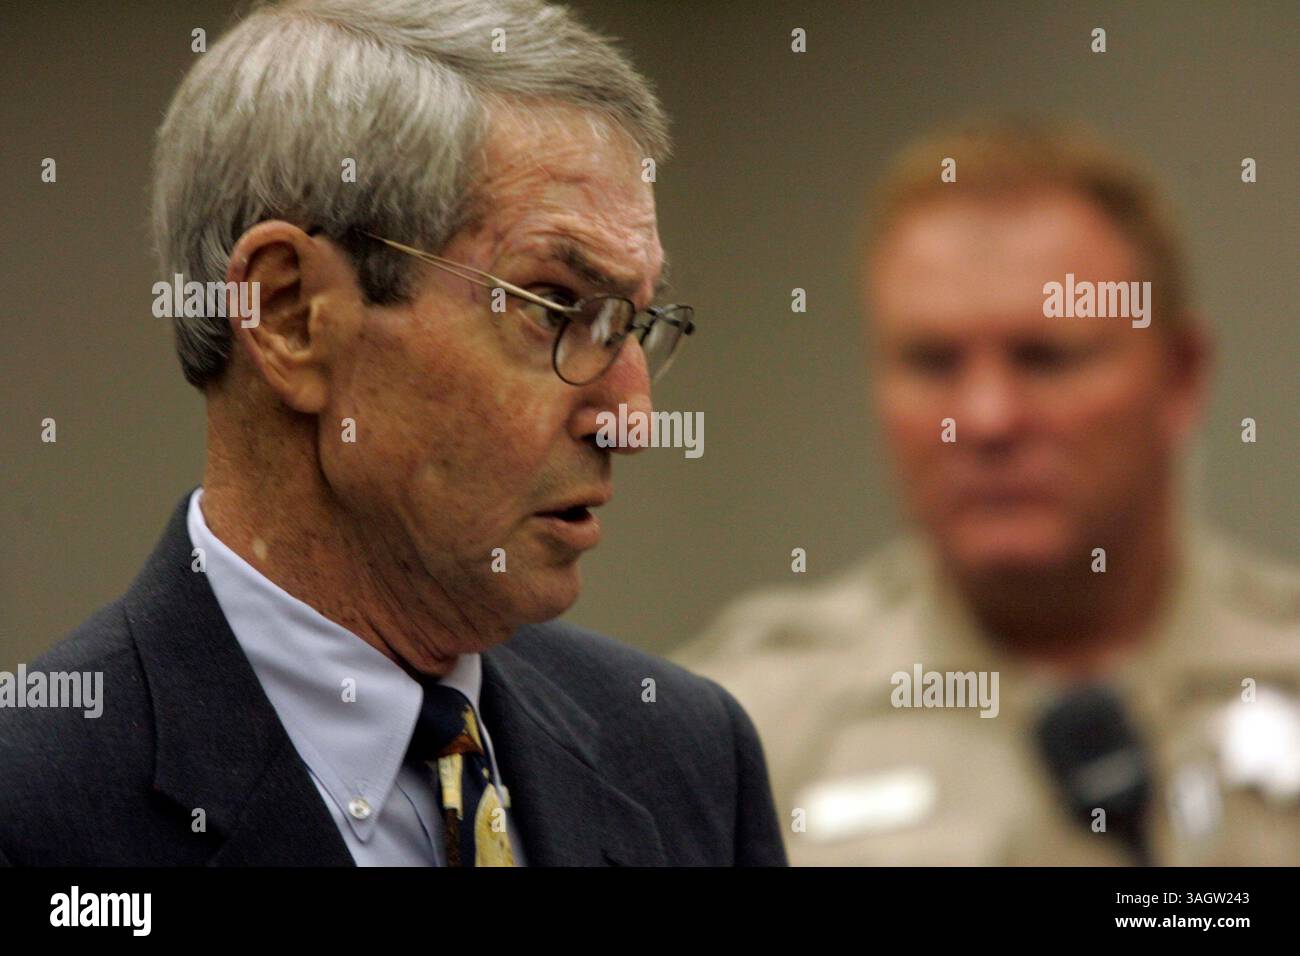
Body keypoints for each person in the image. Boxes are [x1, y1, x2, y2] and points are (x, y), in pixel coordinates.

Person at [0, 0, 785, 867]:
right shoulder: (34, 810)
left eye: (632, 326)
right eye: (556, 307)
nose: (632, 420)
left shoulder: (688, 760)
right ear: (291, 315)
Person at [676, 119, 1299, 866]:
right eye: (933, 363)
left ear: (1181, 376)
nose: (986, 419)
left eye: (1047, 359)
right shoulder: (746, 727)